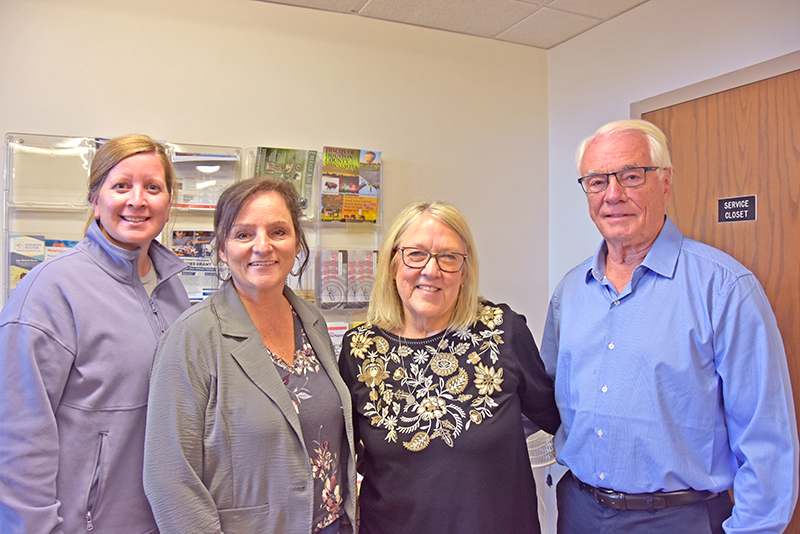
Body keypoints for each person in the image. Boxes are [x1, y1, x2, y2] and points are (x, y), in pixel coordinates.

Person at [541, 119, 799, 533]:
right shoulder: (570, 292)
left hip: (680, 518)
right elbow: (544, 401)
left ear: (665, 181)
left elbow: (766, 442)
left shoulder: (725, 289)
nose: (613, 195)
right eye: (596, 181)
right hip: (580, 513)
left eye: (630, 176)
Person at [143, 178, 358, 534]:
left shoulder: (311, 320)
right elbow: (169, 478)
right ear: (223, 250)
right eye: (243, 235)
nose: (263, 246)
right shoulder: (193, 337)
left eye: (278, 231)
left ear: (296, 244)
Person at [0, 134, 191, 532]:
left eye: (153, 187)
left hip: (164, 520)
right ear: (95, 198)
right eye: (121, 185)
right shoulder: (50, 291)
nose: (137, 200)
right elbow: (18, 440)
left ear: (169, 203)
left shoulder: (173, 288)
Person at [338, 201, 560, 534]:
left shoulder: (502, 331)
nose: (431, 270)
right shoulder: (360, 349)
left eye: (448, 258)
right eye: (416, 254)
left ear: (465, 270)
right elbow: (342, 451)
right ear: (392, 264)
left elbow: (558, 418)